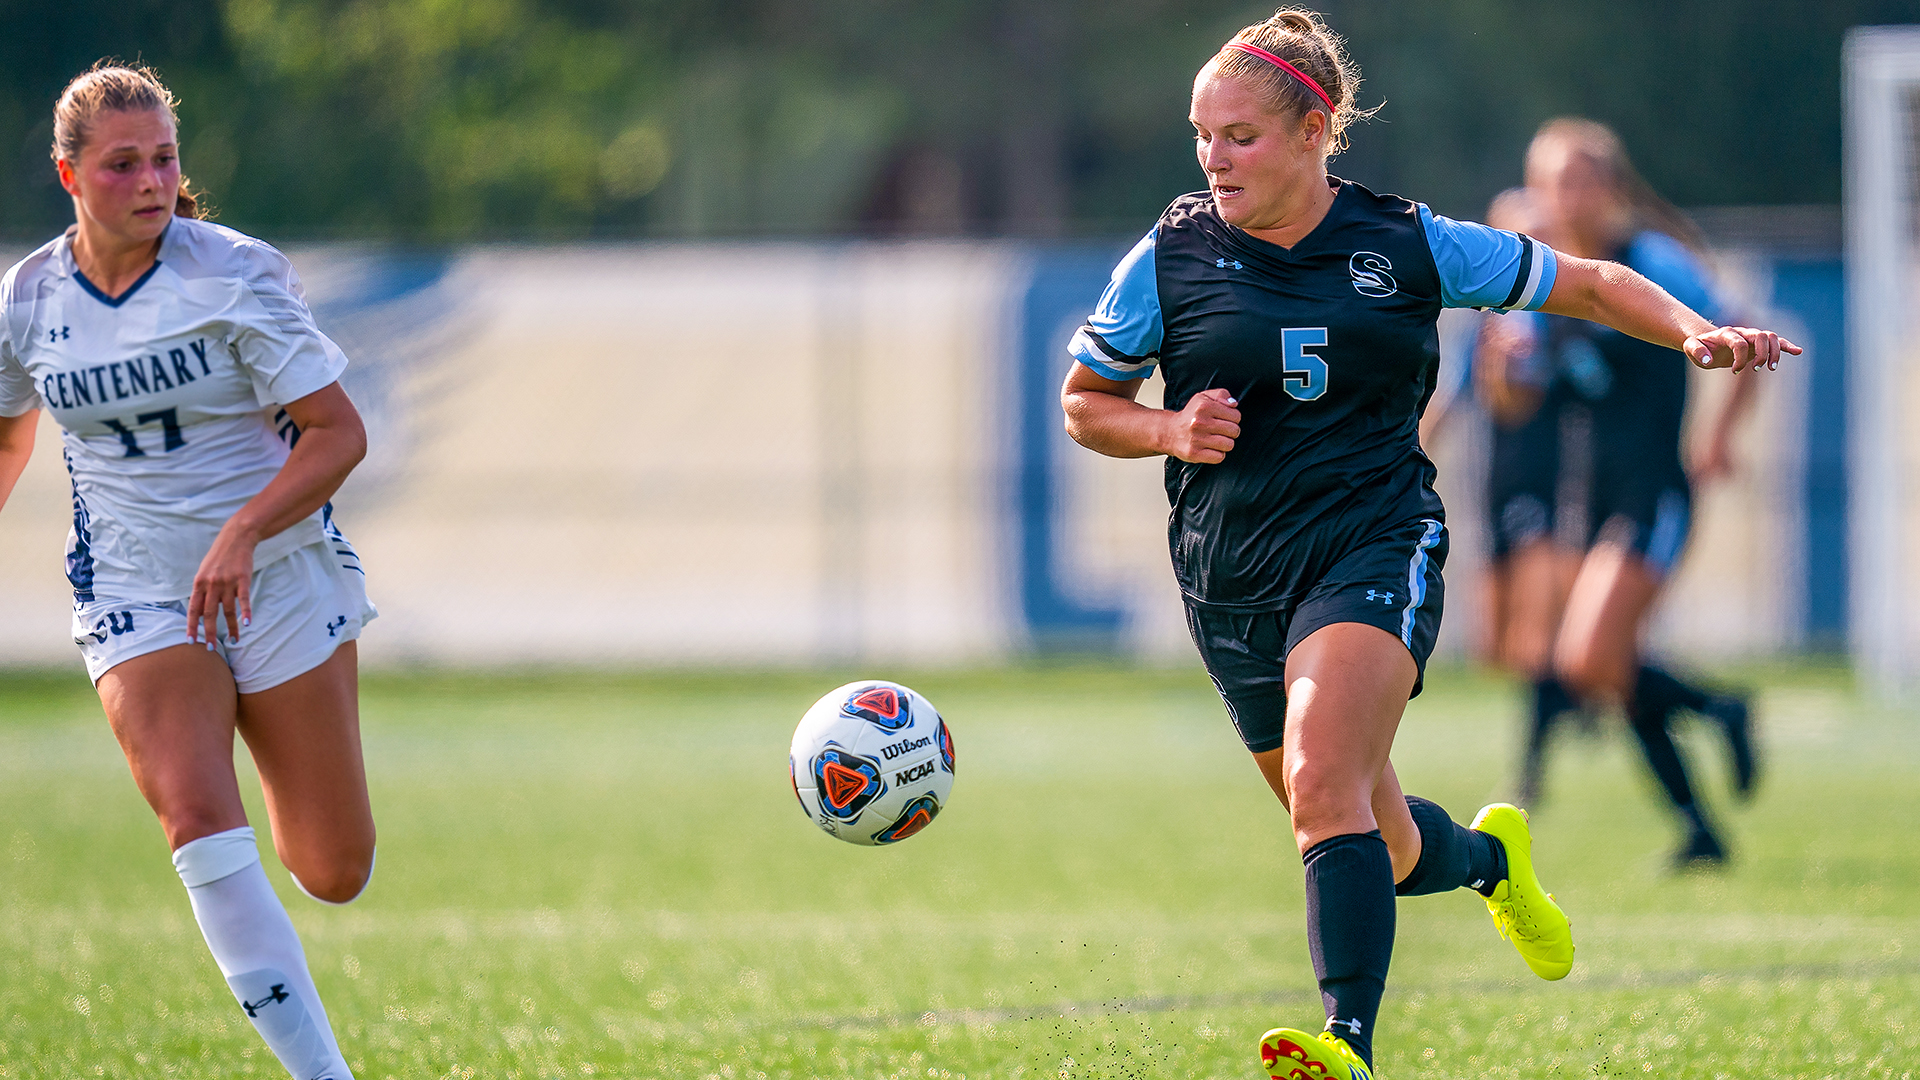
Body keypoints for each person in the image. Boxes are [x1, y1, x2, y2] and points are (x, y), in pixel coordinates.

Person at [1058, 12, 1794, 1079]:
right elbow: (1087, 404)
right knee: (1379, 842)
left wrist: (1693, 332)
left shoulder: (1404, 243)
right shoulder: (1169, 255)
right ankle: (1494, 861)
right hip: (1228, 575)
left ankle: (1344, 1044)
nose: (1214, 157)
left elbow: (1585, 282)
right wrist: (1170, 430)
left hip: (1372, 542)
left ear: (1314, 130)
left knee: (1323, 787)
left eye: (1241, 136)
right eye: (1202, 135)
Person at [0, 64, 374, 1080]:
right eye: (124, 164)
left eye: (165, 158)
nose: (153, 180)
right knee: (200, 820)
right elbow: (6, 442)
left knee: (333, 870)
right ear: (69, 174)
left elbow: (338, 436)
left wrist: (246, 528)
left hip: (277, 574)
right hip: (134, 592)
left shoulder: (235, 274)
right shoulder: (28, 299)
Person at [1527, 119, 1762, 866]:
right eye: (1553, 181)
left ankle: (1717, 711)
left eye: (1580, 178)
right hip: (1585, 496)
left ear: (1612, 186)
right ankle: (1700, 822)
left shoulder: (1650, 261)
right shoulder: (1547, 275)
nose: (1567, 195)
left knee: (1590, 659)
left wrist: (1719, 438)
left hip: (1651, 490)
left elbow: (1737, 337)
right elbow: (1514, 397)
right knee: (1612, 670)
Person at [1419, 187, 1590, 806]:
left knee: (1538, 639)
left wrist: (1529, 371)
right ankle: (1636, 696)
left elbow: (1552, 393)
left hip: (1549, 485)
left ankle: (1532, 771)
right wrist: (1408, 456)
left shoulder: (1562, 313)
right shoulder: (1489, 318)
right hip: (1491, 487)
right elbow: (1458, 394)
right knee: (1498, 648)